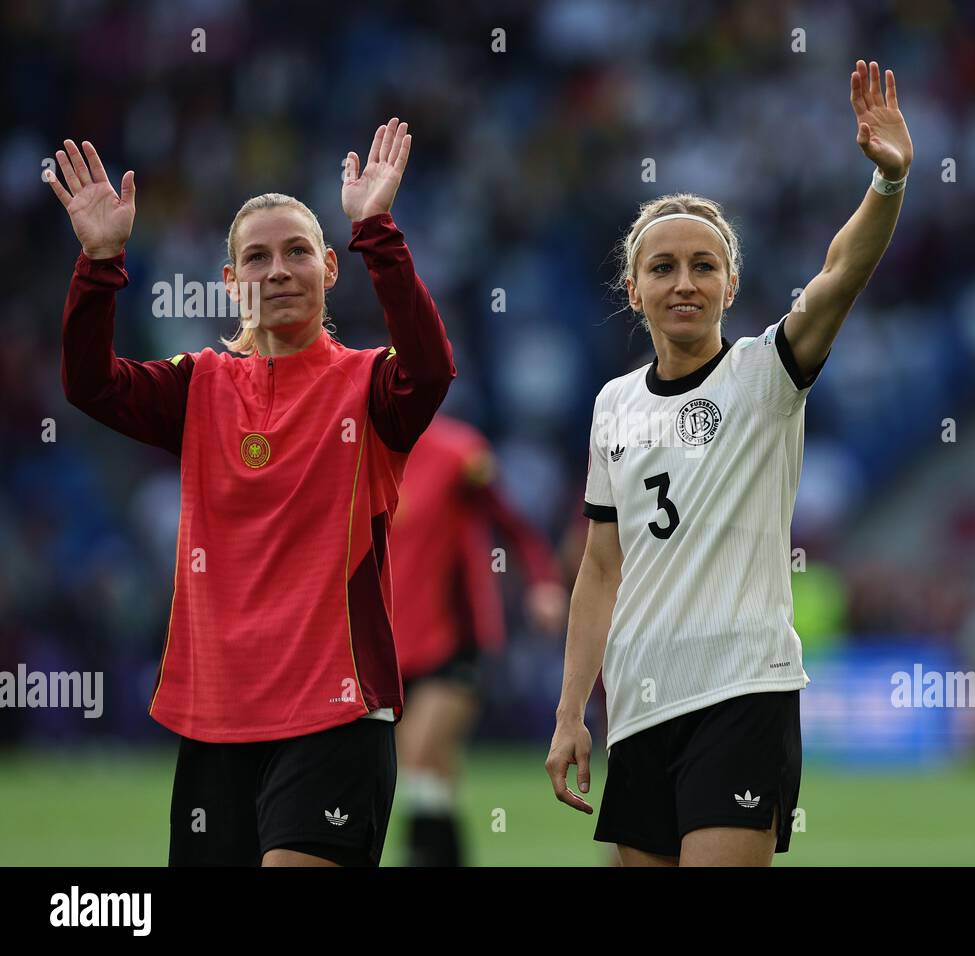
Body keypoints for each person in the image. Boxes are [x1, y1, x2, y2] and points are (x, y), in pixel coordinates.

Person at [49, 118, 456, 866]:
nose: (278, 270)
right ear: (231, 281)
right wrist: (100, 262)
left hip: (337, 716)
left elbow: (431, 368)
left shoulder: (370, 385)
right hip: (219, 721)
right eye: (257, 257)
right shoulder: (198, 383)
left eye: (298, 251)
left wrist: (378, 230)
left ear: (331, 267)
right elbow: (90, 384)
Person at [545, 60, 913, 866]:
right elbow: (600, 571)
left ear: (732, 282)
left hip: (742, 691)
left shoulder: (765, 375)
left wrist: (885, 184)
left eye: (704, 266)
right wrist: (574, 711)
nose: (685, 283)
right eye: (663, 268)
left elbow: (838, 277)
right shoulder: (612, 406)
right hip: (640, 703)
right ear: (633, 289)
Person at [390, 415, 566, 866]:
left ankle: (419, 856)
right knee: (432, 769)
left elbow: (511, 523)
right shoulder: (364, 457)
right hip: (392, 646)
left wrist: (542, 581)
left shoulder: (459, 454)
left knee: (420, 753)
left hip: (458, 637)